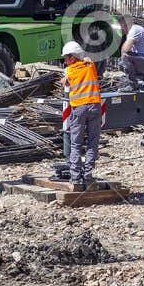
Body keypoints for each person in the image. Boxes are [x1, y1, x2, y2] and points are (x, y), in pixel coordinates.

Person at [61, 40, 103, 190]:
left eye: (66, 58)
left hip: (79, 109)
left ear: (72, 57)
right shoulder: (90, 66)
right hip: (94, 107)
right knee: (92, 142)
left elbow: (65, 83)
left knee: (76, 144)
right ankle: (88, 176)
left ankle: (76, 178)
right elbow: (87, 59)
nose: (64, 61)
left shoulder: (69, 71)